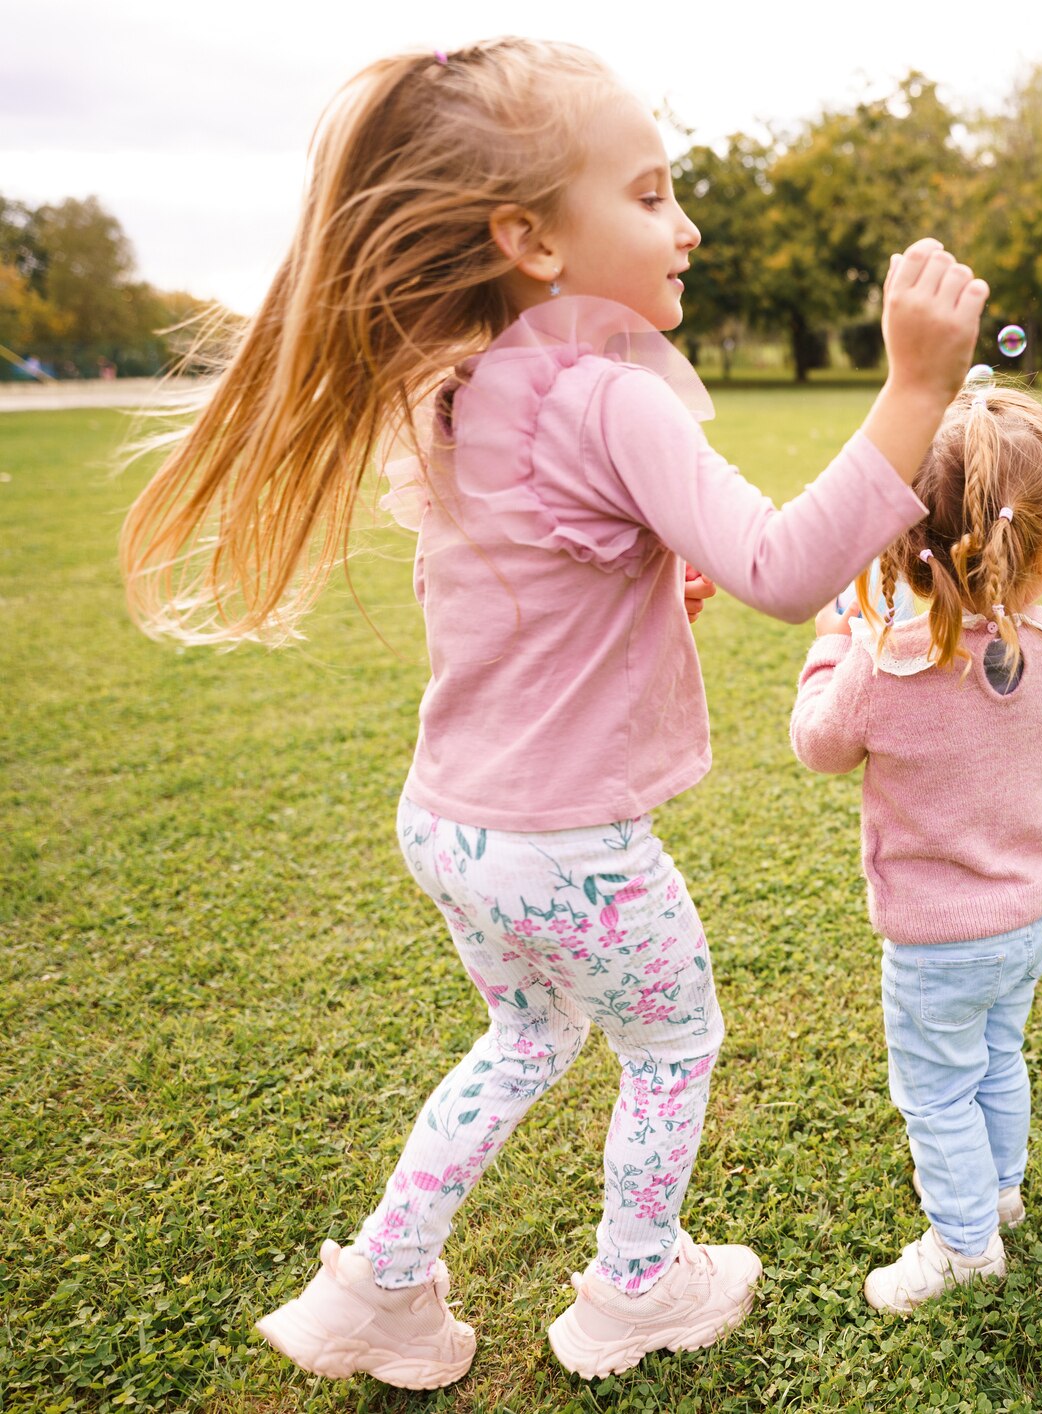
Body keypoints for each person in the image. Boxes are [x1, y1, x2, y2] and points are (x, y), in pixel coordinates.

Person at [117, 37, 987, 1386]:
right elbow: (782, 568)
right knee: (674, 1037)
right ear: (528, 235)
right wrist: (915, 388)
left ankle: (378, 1291)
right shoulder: (607, 394)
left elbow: (542, 577)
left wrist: (648, 588)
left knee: (525, 1035)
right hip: (569, 842)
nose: (684, 223)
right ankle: (638, 1283)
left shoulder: (463, 392)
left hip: (453, 823)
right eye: (647, 195)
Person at [789, 384, 1042, 1313]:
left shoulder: (886, 665)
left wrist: (836, 641)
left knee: (936, 1093)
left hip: (935, 941)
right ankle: (999, 1189)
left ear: (901, 537)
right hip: (1027, 915)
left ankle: (964, 1246)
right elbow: (985, 681)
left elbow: (818, 746)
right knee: (1000, 1056)